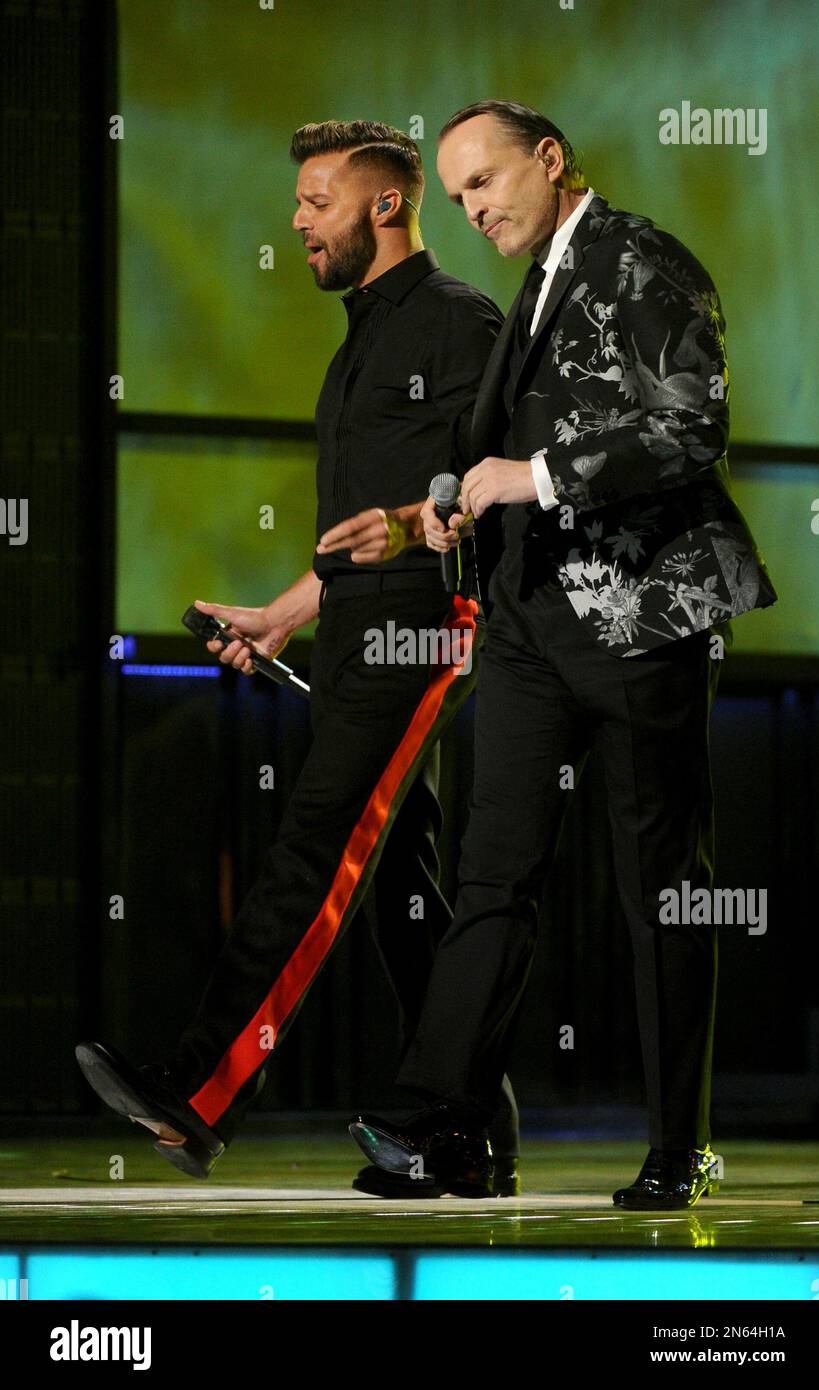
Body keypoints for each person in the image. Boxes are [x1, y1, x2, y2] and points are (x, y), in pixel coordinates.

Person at [76, 119, 520, 1197]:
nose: (297, 224)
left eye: (315, 201)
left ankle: (199, 1089)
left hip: (424, 629)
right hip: (360, 632)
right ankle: (467, 1132)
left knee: (317, 844)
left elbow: (488, 487)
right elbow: (353, 535)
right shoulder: (362, 338)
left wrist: (415, 543)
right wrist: (284, 613)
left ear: (382, 205)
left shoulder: (461, 324)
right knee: (402, 888)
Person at [350, 100, 777, 1209]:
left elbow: (691, 426)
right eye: (458, 196)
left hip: (642, 621)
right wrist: (455, 509)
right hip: (530, 623)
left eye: (485, 181)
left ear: (549, 160)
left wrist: (531, 478)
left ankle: (676, 1146)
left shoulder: (641, 259)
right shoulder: (532, 284)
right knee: (491, 873)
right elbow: (512, 448)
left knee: (660, 892)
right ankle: (431, 1123)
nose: (474, 208)